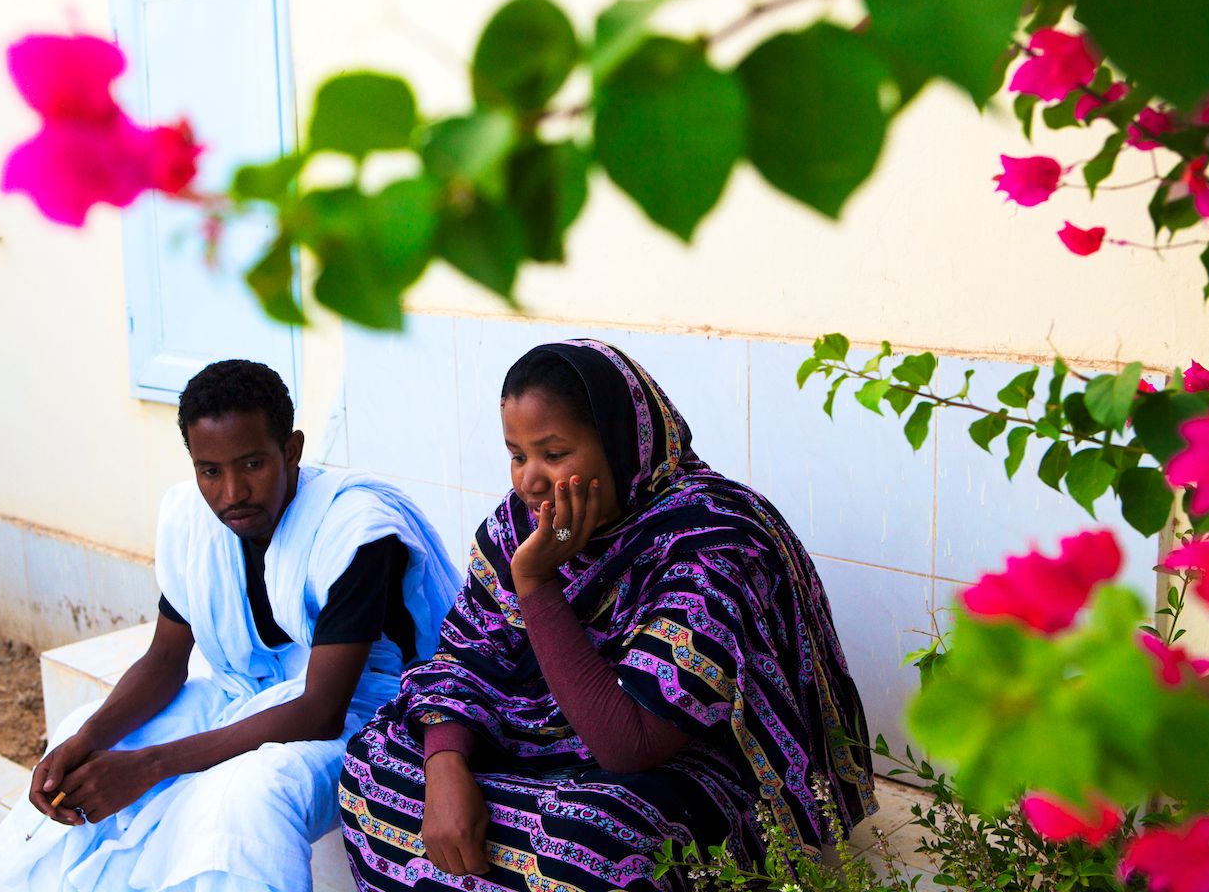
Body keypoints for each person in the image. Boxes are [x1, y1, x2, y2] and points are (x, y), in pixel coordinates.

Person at [339, 339, 876, 892]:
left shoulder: (713, 542)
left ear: (621, 444)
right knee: (368, 766)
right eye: (518, 455)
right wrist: (446, 768)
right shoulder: (519, 525)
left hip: (693, 769)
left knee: (595, 841)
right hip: (543, 743)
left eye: (554, 453)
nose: (529, 480)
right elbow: (463, 659)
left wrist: (537, 583)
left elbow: (629, 745)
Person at [0, 359, 461, 892]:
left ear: (292, 450)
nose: (232, 492)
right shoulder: (194, 521)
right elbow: (164, 662)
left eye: (252, 464)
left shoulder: (354, 531)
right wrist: (88, 737)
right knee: (83, 739)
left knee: (244, 799)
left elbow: (320, 712)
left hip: (368, 716)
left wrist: (151, 766)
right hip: (241, 694)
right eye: (210, 471)